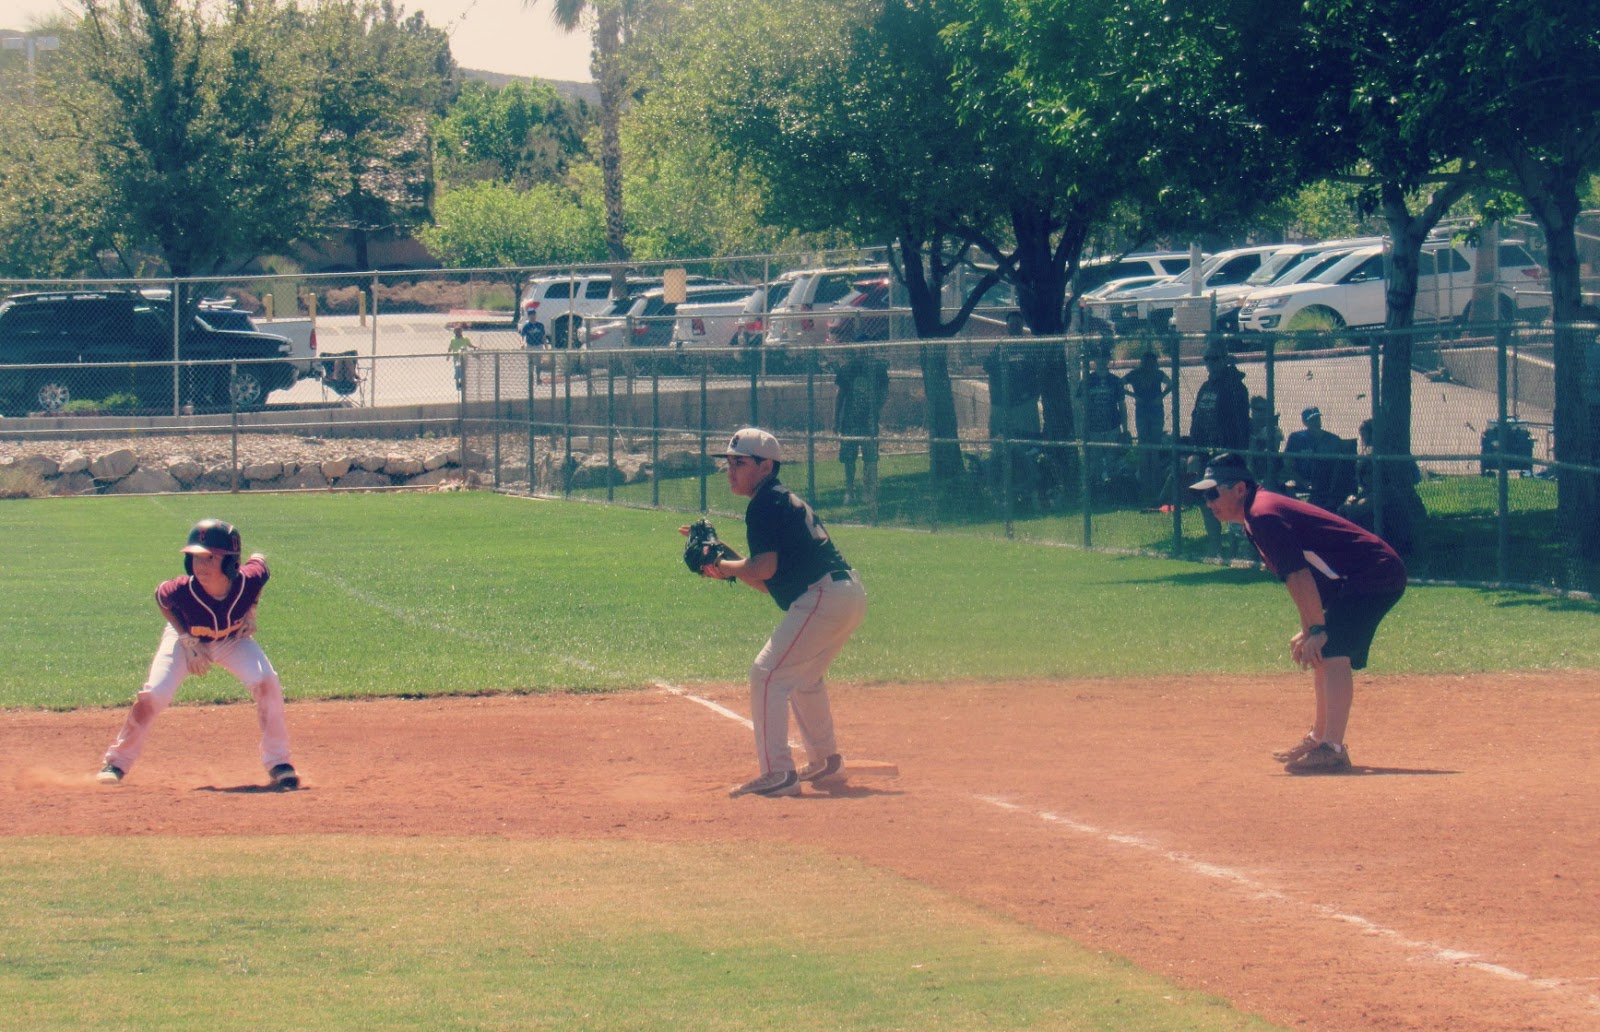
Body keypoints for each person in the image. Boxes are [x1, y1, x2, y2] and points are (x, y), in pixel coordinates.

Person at [1191, 453, 1406, 774]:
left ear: (1238, 489)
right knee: (1322, 649)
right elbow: (1303, 578)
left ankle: (1332, 748)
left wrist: (1317, 630)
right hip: (1350, 580)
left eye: (1212, 493)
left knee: (1332, 650)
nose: (1208, 502)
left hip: (1373, 575)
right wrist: (1311, 630)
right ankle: (1319, 738)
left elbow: (1299, 576)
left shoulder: (1263, 514)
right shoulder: (1255, 516)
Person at [693, 428, 867, 798]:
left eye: (740, 462)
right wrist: (726, 563)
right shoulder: (775, 500)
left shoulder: (764, 504)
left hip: (825, 595)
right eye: (729, 462)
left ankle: (778, 774)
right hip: (844, 594)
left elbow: (763, 569)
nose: (731, 470)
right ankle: (826, 762)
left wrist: (723, 564)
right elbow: (765, 578)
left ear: (766, 465)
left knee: (767, 674)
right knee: (803, 678)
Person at [97, 519, 297, 789]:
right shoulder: (181, 589)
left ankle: (279, 762)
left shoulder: (247, 581)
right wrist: (187, 640)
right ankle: (117, 763)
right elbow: (160, 598)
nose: (200, 566)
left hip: (232, 639)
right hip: (186, 640)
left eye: (210, 558)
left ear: (230, 562)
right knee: (155, 693)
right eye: (195, 558)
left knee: (267, 682)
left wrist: (252, 610)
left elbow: (260, 563)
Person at [1188, 345, 1250, 555]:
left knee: (1232, 499)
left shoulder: (1235, 387)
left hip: (1226, 454)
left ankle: (1238, 548)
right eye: (1207, 359)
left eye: (1214, 359)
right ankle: (1215, 545)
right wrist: (1194, 448)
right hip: (1205, 452)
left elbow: (1240, 422)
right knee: (1207, 498)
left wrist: (1237, 451)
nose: (1210, 364)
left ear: (1224, 359)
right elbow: (1197, 417)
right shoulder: (1206, 387)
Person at [833, 351, 890, 505]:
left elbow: (884, 393)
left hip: (869, 422)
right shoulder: (847, 368)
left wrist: (875, 409)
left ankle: (868, 492)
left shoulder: (878, 369)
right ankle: (850, 492)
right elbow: (840, 396)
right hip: (849, 422)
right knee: (849, 458)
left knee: (870, 458)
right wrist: (836, 420)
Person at [1123, 351, 1173, 498]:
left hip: (1156, 411)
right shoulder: (1135, 374)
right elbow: (1120, 384)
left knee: (1155, 448)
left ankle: (1155, 486)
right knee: (1144, 448)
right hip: (1143, 411)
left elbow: (1170, 384)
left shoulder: (1158, 374)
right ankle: (1145, 486)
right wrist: (1134, 396)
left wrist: (1161, 397)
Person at [1283, 406, 1347, 511]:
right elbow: (1288, 465)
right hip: (1302, 479)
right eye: (1311, 420)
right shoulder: (1297, 438)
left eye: (1317, 419)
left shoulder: (1332, 439)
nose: (1315, 422)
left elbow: (1340, 465)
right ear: (1304, 422)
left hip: (1326, 482)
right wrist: (1303, 482)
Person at [1077, 350, 1128, 483]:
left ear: (1108, 360)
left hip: (1112, 426)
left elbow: (1122, 405)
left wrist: (1125, 428)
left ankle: (1113, 487)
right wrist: (1083, 428)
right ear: (1094, 360)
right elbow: (1081, 407)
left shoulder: (1115, 381)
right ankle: (1097, 490)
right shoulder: (1086, 381)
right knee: (1095, 461)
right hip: (1093, 427)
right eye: (1098, 357)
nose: (1101, 361)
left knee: (1112, 459)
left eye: (1104, 357)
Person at [1248, 395, 1283, 489]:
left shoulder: (1273, 428)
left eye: (1263, 409)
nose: (1260, 412)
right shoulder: (1246, 426)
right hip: (1249, 460)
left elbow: (1275, 448)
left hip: (1265, 462)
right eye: (1256, 409)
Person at [448, 324, 476, 391]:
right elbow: (450, 348)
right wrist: (448, 356)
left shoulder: (465, 339)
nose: (457, 333)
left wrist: (475, 347)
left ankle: (463, 383)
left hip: (464, 358)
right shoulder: (453, 340)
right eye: (456, 332)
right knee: (457, 371)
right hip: (456, 358)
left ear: (461, 332)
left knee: (464, 371)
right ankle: (457, 384)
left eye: (459, 331)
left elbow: (469, 345)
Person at [520, 318, 547, 385]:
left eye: (533, 314)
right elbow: (522, 336)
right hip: (530, 345)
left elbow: (543, 337)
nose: (532, 316)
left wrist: (546, 346)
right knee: (530, 362)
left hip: (539, 345)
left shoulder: (540, 325)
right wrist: (522, 343)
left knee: (539, 363)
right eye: (531, 314)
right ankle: (531, 377)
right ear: (529, 316)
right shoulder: (526, 325)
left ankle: (538, 378)